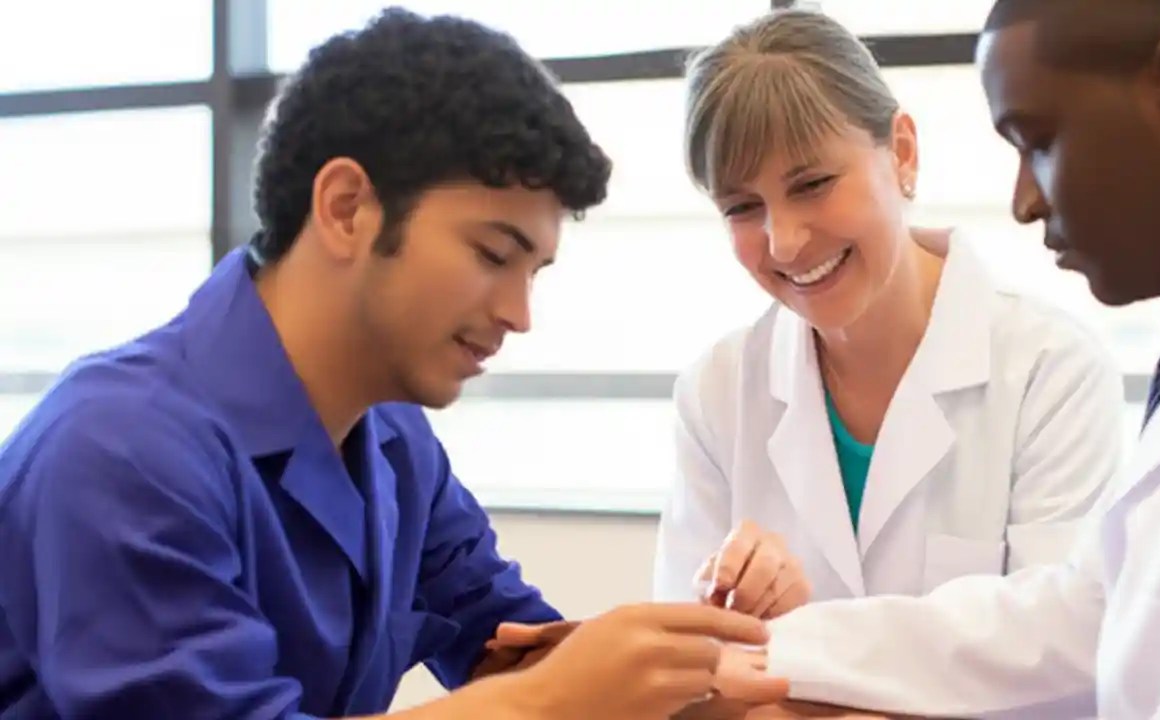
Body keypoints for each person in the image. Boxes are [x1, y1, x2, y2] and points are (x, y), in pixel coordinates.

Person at [0, 10, 788, 720]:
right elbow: (542, 694)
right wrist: (552, 697)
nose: (519, 315)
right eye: (493, 254)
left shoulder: (392, 440)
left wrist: (709, 676)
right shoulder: (117, 449)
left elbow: (509, 644)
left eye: (534, 273)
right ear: (346, 208)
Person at [710, 0, 1160, 718]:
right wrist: (771, 651)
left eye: (1038, 142)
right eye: (741, 205)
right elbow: (1079, 616)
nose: (1024, 201)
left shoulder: (1082, 363)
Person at [652, 8, 1124, 616]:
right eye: (742, 208)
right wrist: (733, 619)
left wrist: (801, 637)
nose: (784, 242)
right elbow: (685, 651)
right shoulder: (717, 393)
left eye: (813, 184)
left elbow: (1057, 647)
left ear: (902, 152)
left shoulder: (1051, 373)